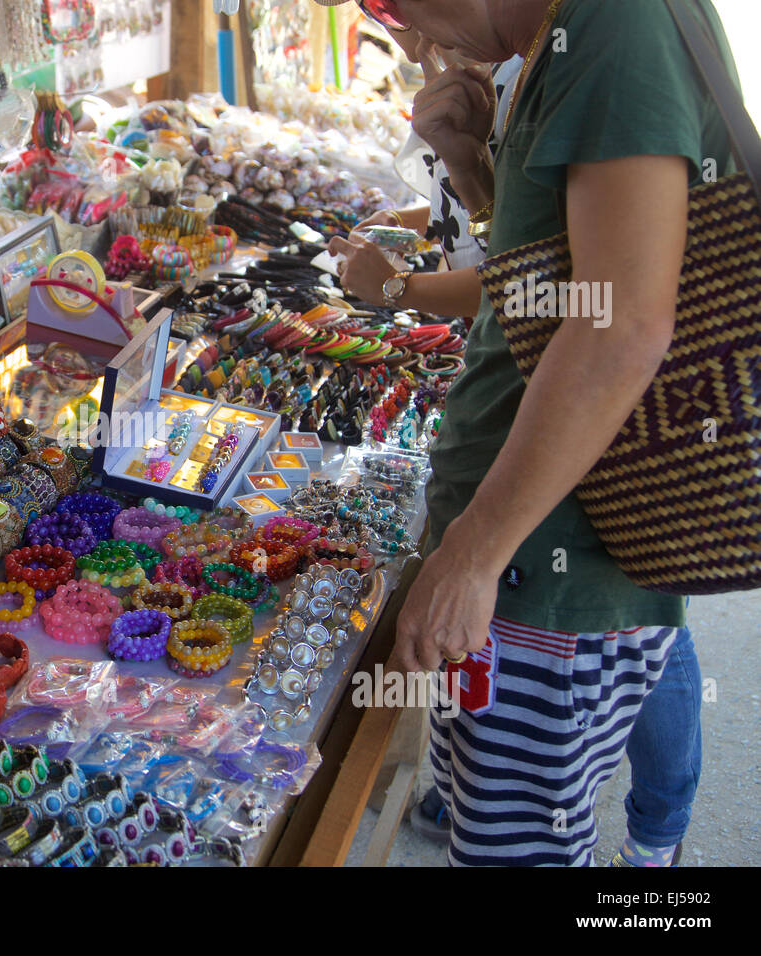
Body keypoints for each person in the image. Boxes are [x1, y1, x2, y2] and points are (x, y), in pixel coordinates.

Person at [317, 0, 730, 866]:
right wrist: (471, 168)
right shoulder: (566, 35)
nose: (412, 37)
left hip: (555, 567)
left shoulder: (621, 22)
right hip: (527, 560)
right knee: (493, 825)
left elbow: (620, 322)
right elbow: (552, 283)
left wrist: (475, 553)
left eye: (391, 5)